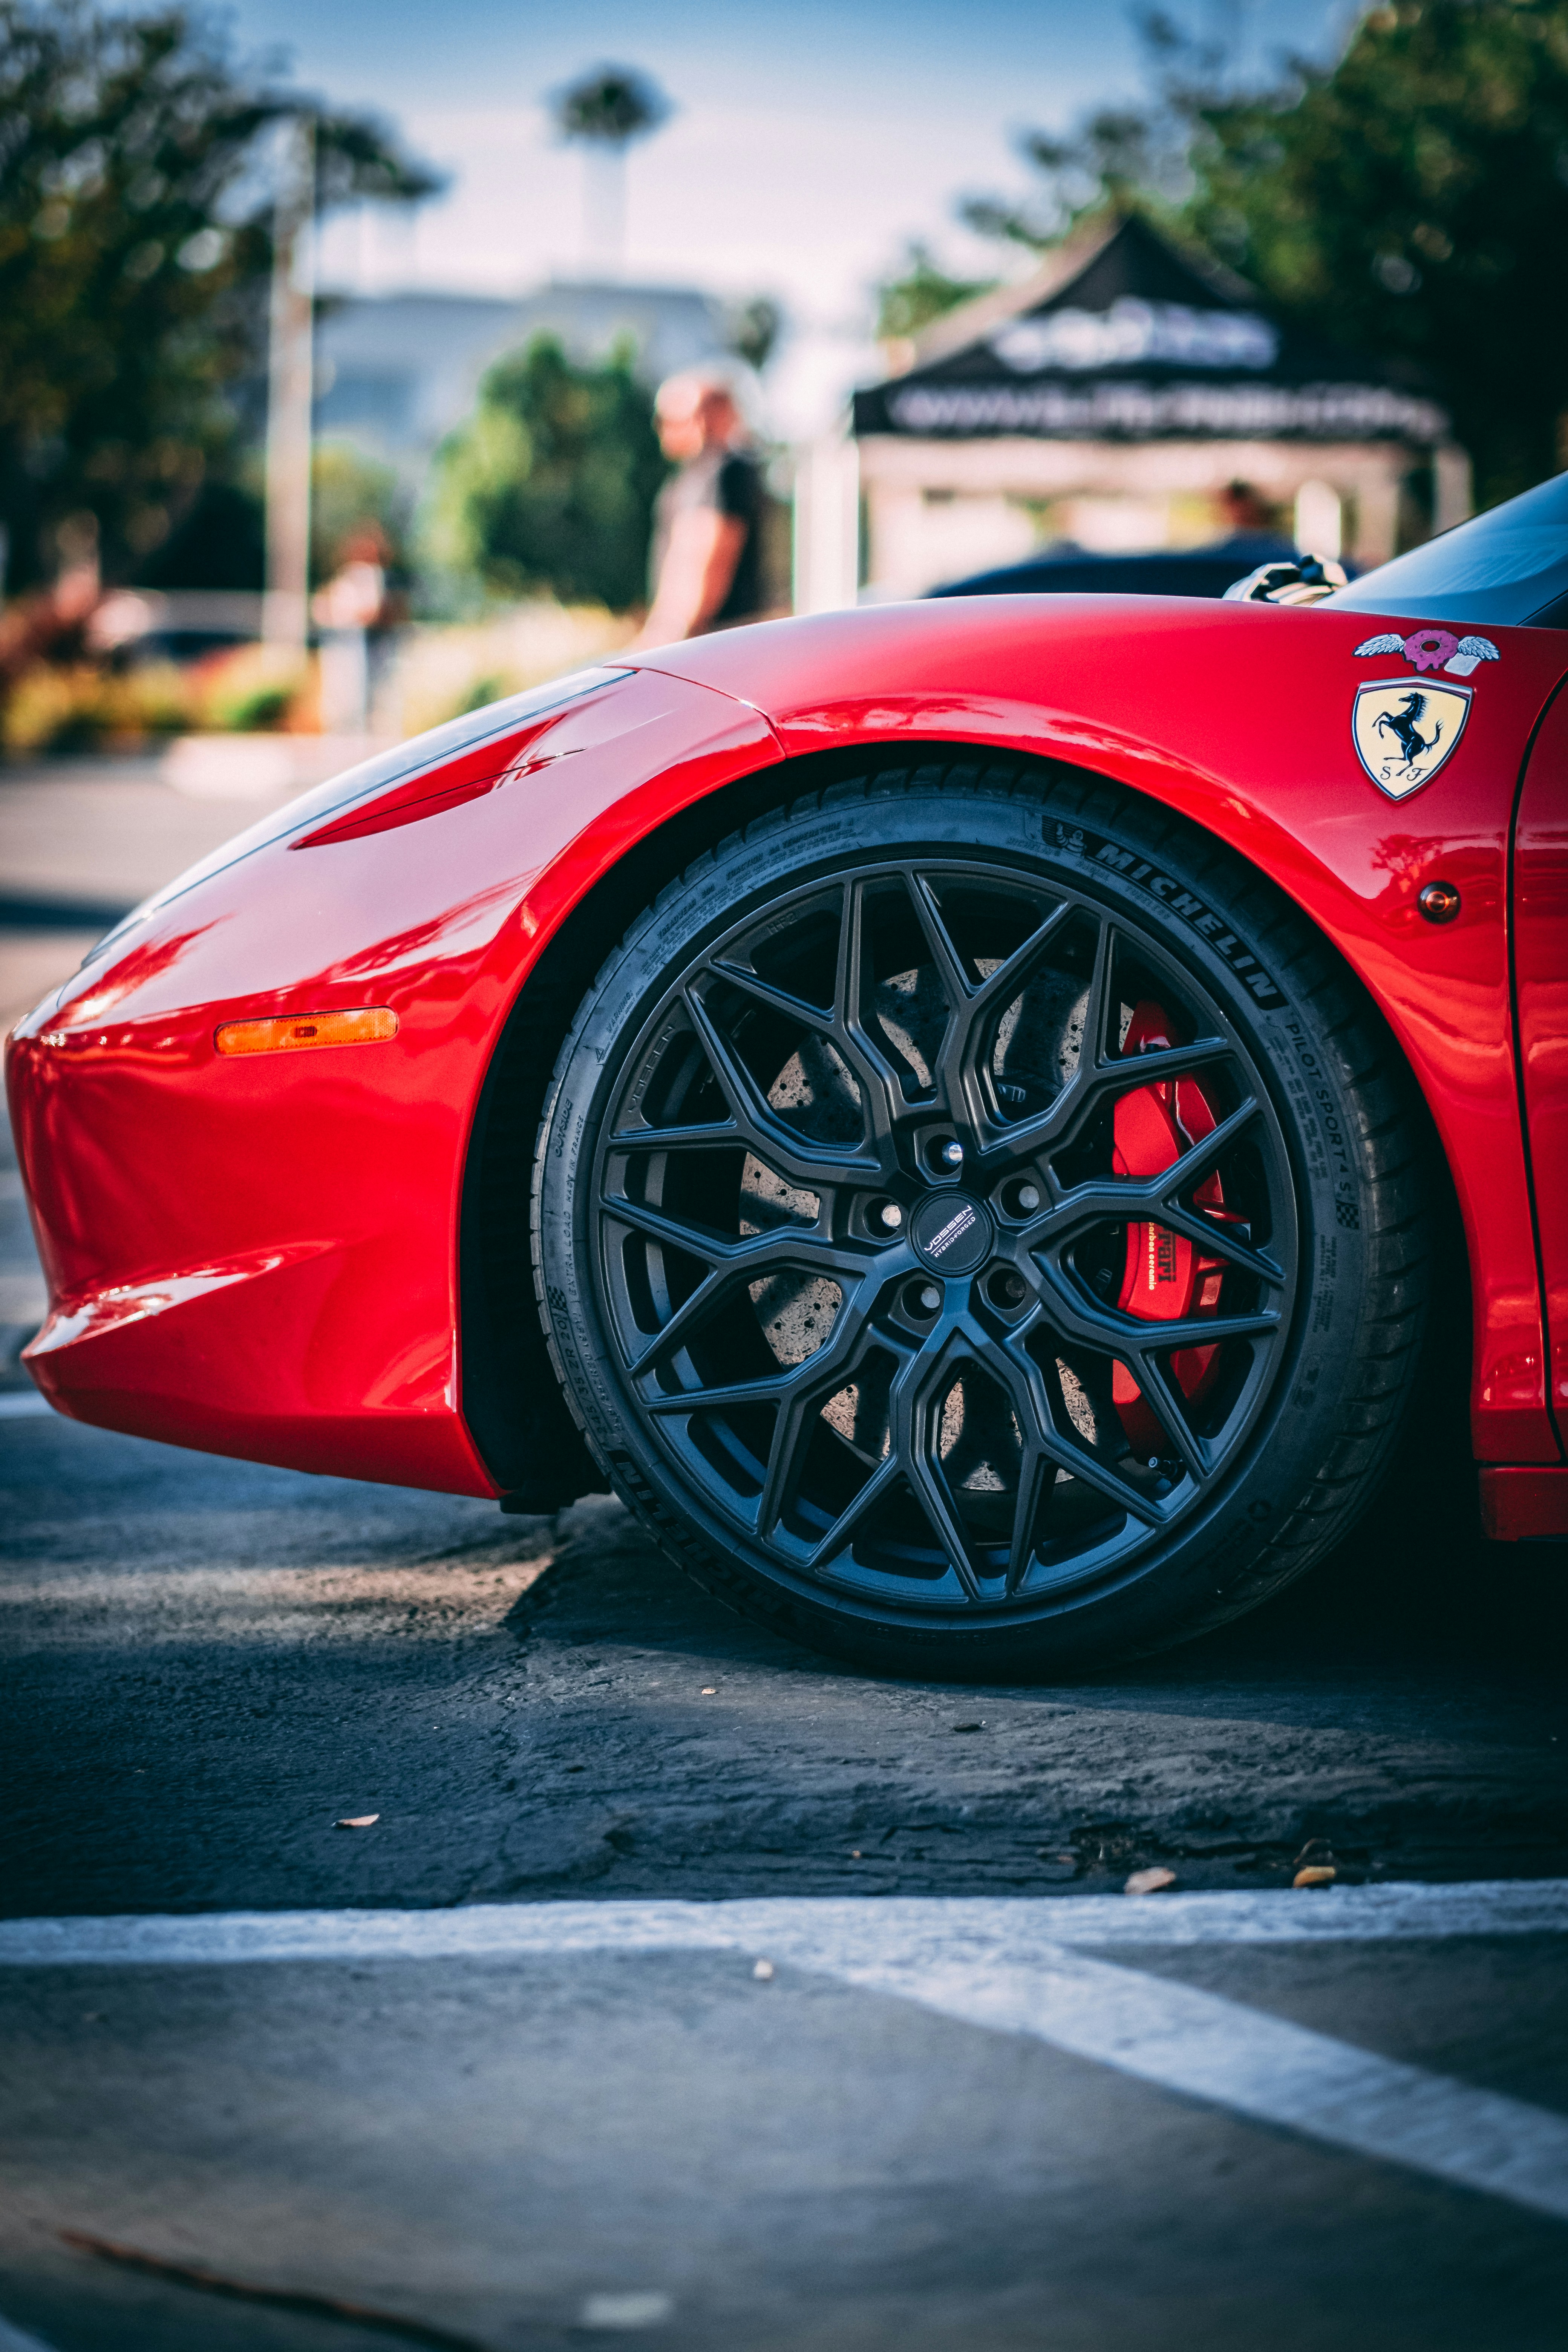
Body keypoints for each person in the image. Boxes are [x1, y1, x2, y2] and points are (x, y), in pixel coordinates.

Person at [633, 371, 765, 647]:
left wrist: (665, 641)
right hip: (698, 641)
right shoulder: (689, 478)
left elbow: (708, 566)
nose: (664, 429)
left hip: (716, 642)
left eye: (671, 419)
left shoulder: (727, 472)